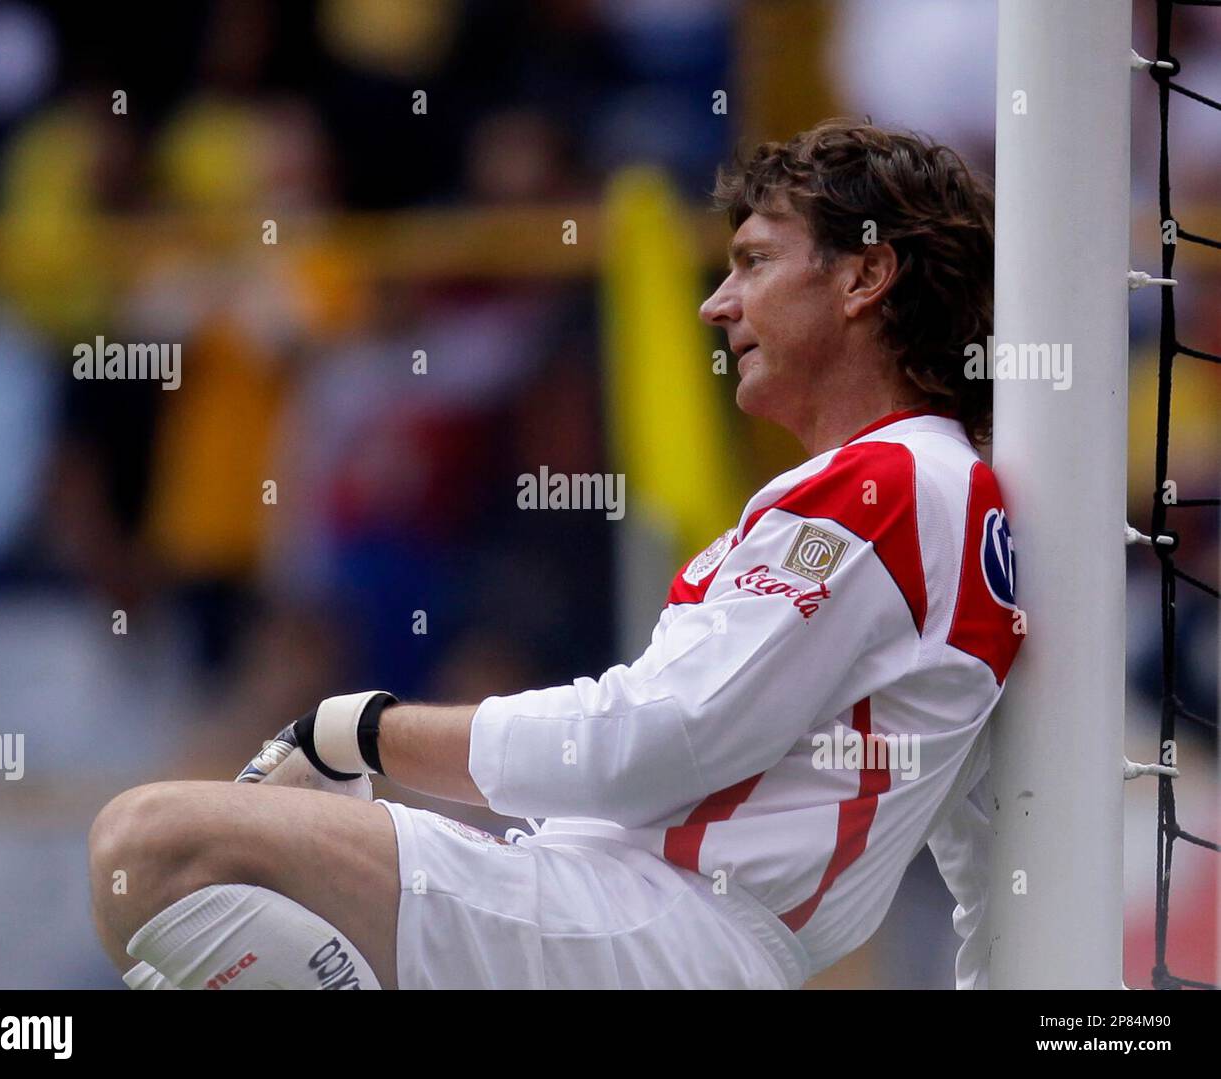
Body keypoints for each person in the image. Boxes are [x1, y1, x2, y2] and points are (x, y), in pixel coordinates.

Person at [90, 118, 1019, 990]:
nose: (715, 302)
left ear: (865, 278)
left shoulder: (888, 485)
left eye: (755, 261)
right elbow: (991, 850)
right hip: (641, 919)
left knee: (149, 847)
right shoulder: (944, 502)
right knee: (203, 894)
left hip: (657, 927)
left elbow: (656, 741)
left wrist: (359, 730)